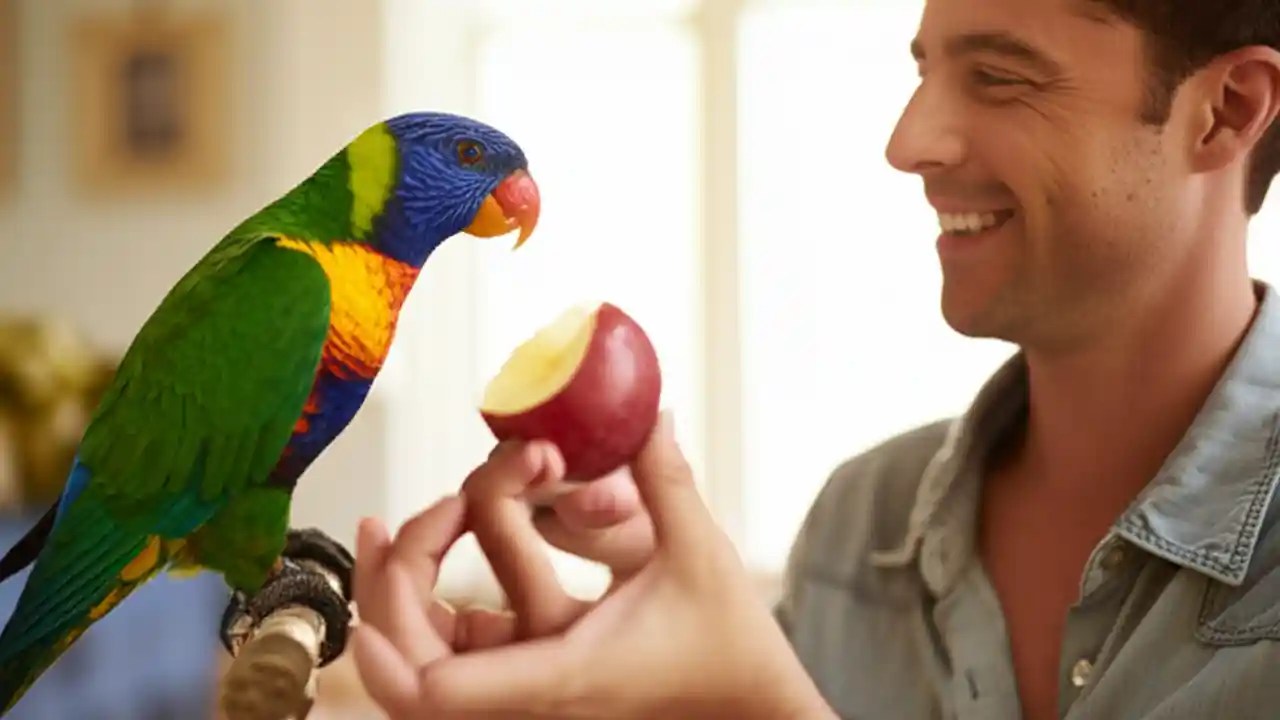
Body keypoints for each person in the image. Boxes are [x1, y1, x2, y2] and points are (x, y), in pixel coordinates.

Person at [349, 0, 1280, 717]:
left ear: (1224, 112)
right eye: (925, 71)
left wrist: (759, 701)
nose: (908, 142)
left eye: (1000, 77)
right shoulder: (858, 529)